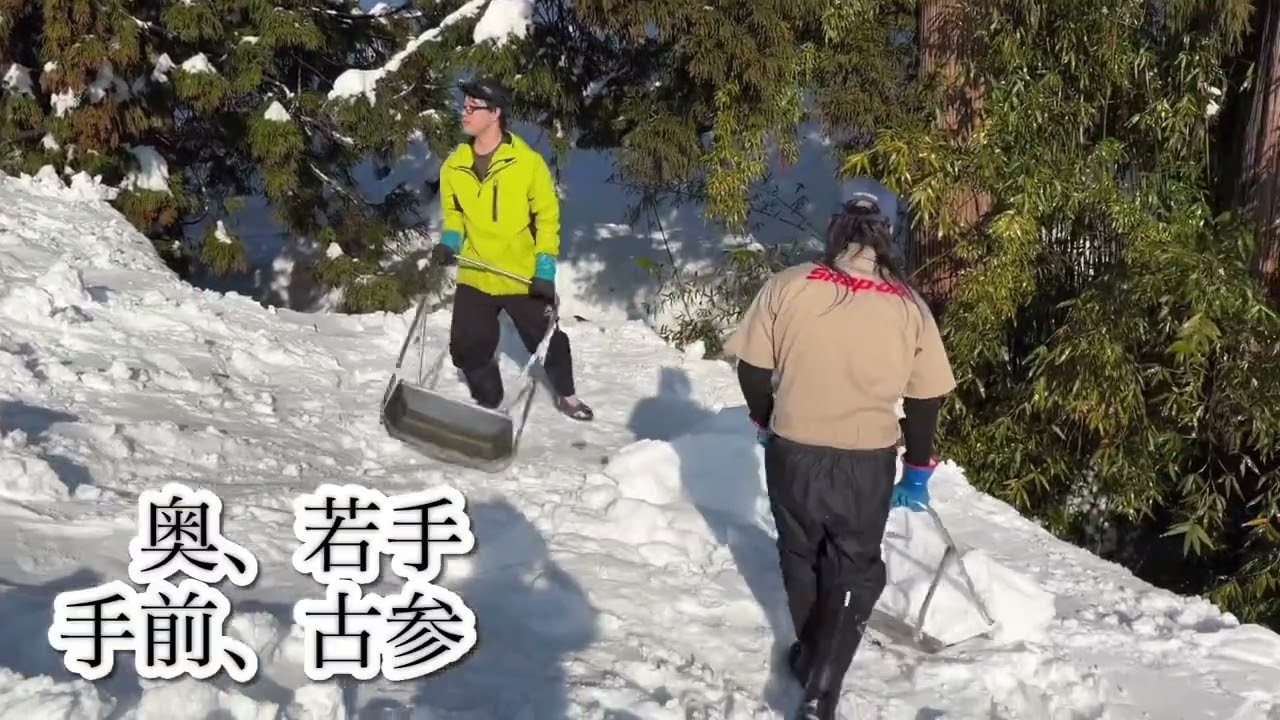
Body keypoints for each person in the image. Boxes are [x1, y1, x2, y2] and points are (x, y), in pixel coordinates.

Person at [722, 192, 956, 720]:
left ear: (834, 227)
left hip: (793, 449)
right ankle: (822, 690)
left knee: (800, 553)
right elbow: (925, 399)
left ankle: (809, 657)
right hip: (864, 458)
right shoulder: (908, 305)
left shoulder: (789, 283)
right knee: (856, 567)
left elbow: (753, 371)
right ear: (887, 234)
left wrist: (765, 419)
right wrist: (917, 469)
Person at [429, 78, 593, 421]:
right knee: (465, 348)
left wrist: (544, 269)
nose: (465, 112)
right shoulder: (454, 166)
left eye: (474, 107)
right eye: (464, 106)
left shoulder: (526, 163)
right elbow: (455, 217)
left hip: (519, 272)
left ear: (496, 113)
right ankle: (490, 402)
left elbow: (547, 219)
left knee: (549, 341)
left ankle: (567, 395)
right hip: (476, 271)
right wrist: (449, 243)